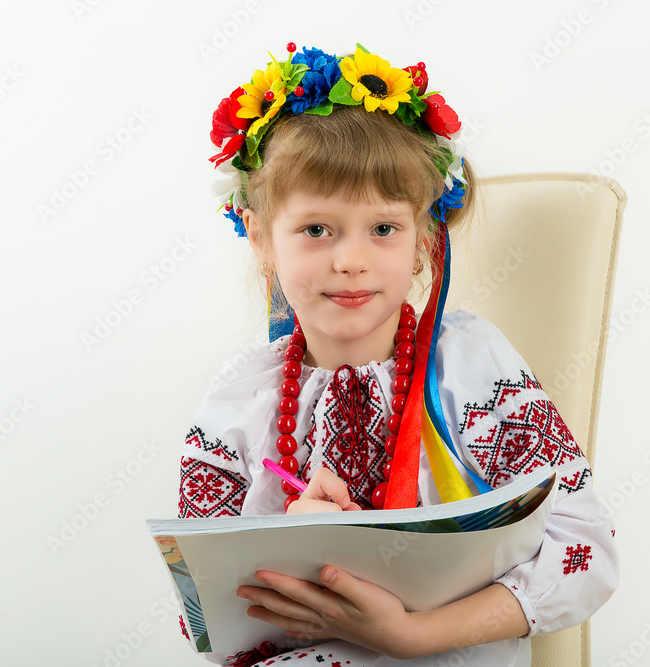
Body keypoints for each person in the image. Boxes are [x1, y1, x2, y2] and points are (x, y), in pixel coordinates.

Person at [177, 42, 619, 666]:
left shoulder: (471, 368)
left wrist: (409, 635)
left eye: (382, 228)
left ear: (421, 240)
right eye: (315, 229)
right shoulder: (237, 403)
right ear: (259, 236)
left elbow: (587, 550)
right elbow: (204, 620)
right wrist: (296, 549)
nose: (350, 259)